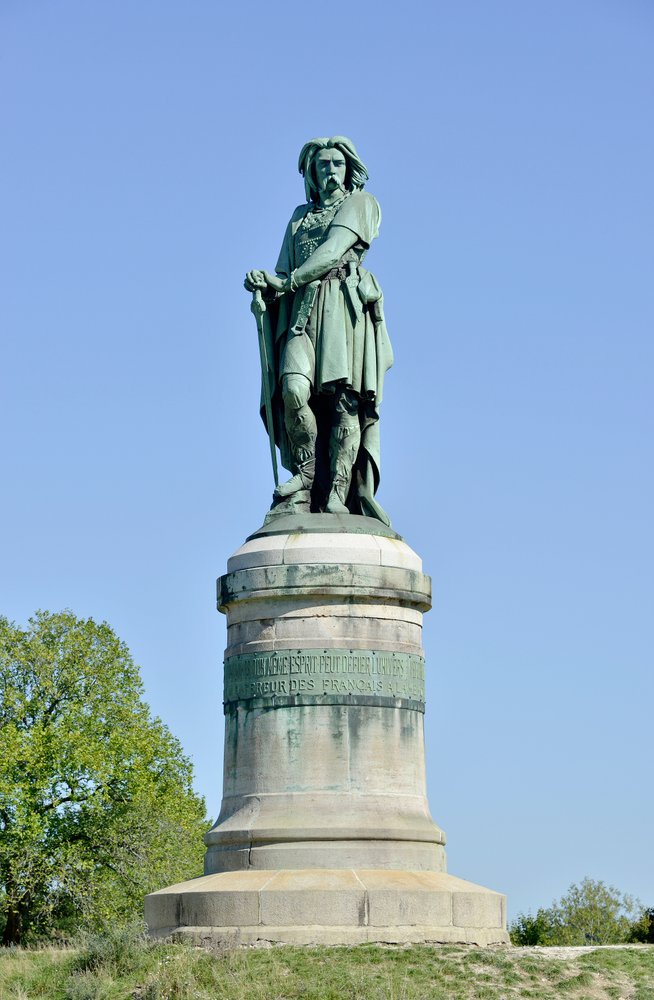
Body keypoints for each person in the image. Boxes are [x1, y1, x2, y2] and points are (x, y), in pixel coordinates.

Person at [244, 136, 393, 524]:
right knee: (293, 389)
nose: (330, 171)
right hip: (300, 313)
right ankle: (307, 476)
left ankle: (338, 493)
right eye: (323, 165)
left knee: (345, 401)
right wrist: (266, 284)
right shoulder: (298, 217)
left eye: (337, 165)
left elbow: (331, 251)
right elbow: (283, 271)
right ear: (311, 174)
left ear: (348, 171)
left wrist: (287, 282)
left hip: (341, 307)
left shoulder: (360, 204)